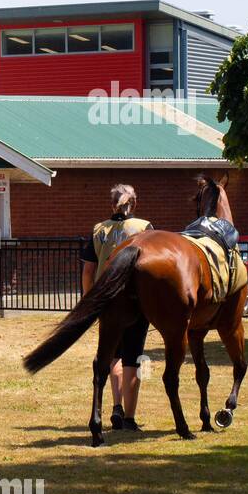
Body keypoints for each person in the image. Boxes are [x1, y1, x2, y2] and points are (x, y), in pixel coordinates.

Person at [80, 183, 154, 430]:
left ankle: (116, 407)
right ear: (135, 203)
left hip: (107, 300)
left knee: (113, 356)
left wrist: (89, 301)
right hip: (136, 301)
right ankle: (130, 418)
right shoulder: (144, 228)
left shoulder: (99, 230)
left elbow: (88, 270)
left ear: (112, 204)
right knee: (134, 357)